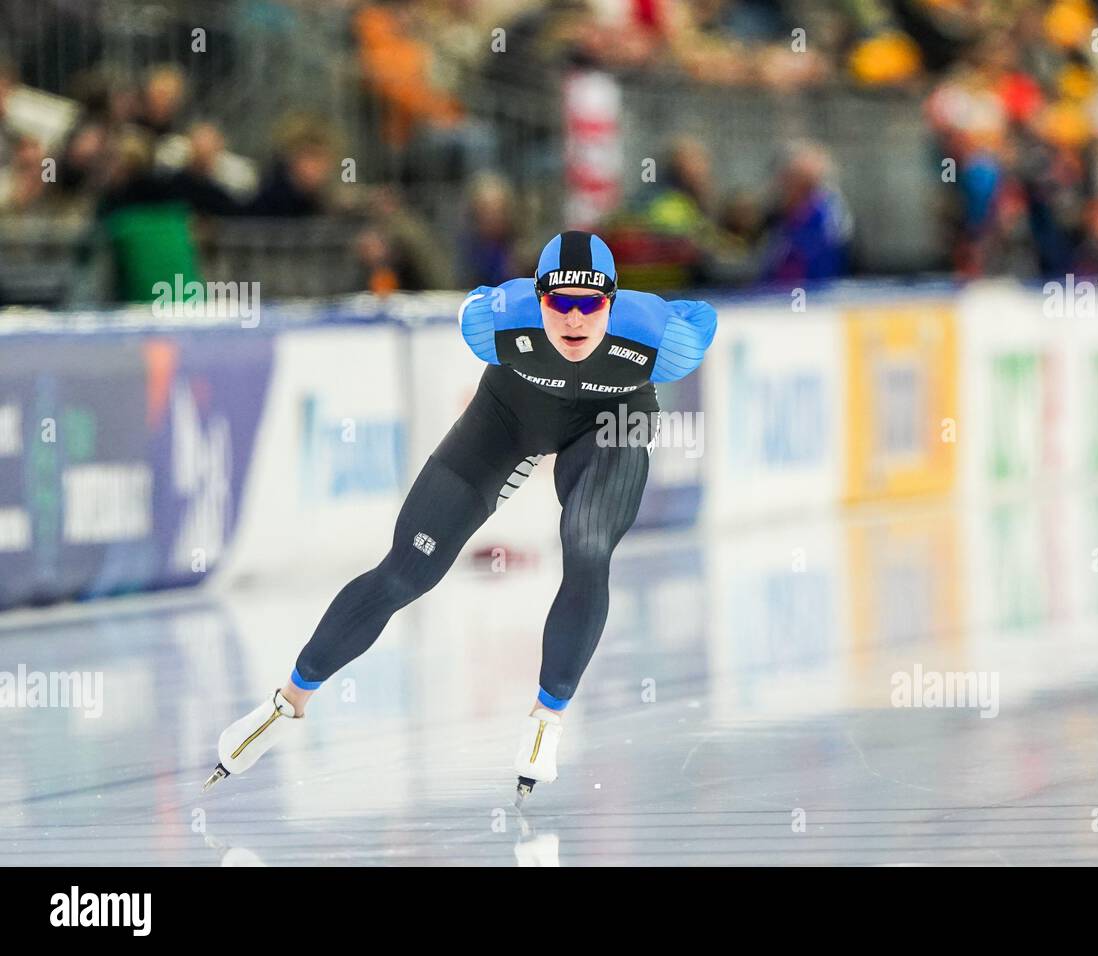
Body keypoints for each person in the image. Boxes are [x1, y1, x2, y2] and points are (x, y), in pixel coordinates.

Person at [204, 231, 717, 803]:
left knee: (588, 548)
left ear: (614, 302)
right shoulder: (495, 322)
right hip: (507, 421)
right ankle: (289, 701)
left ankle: (547, 714)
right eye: (559, 303)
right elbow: (473, 301)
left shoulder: (660, 339)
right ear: (538, 299)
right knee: (406, 571)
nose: (574, 320)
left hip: (612, 424)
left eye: (591, 304)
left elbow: (703, 313)